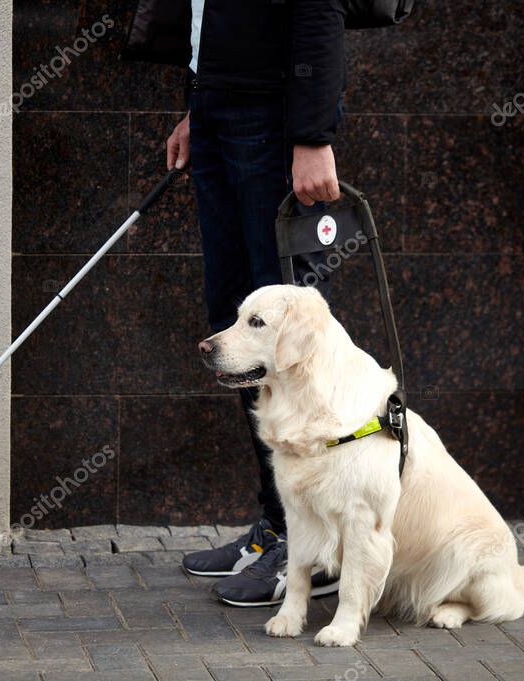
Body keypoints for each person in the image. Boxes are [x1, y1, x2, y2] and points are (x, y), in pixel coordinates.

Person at [163, 0, 347, 607]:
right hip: (219, 114)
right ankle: (278, 525)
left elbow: (318, 13)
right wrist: (200, 108)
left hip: (270, 124)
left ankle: (317, 553)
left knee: (289, 342)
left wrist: (312, 135)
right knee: (239, 336)